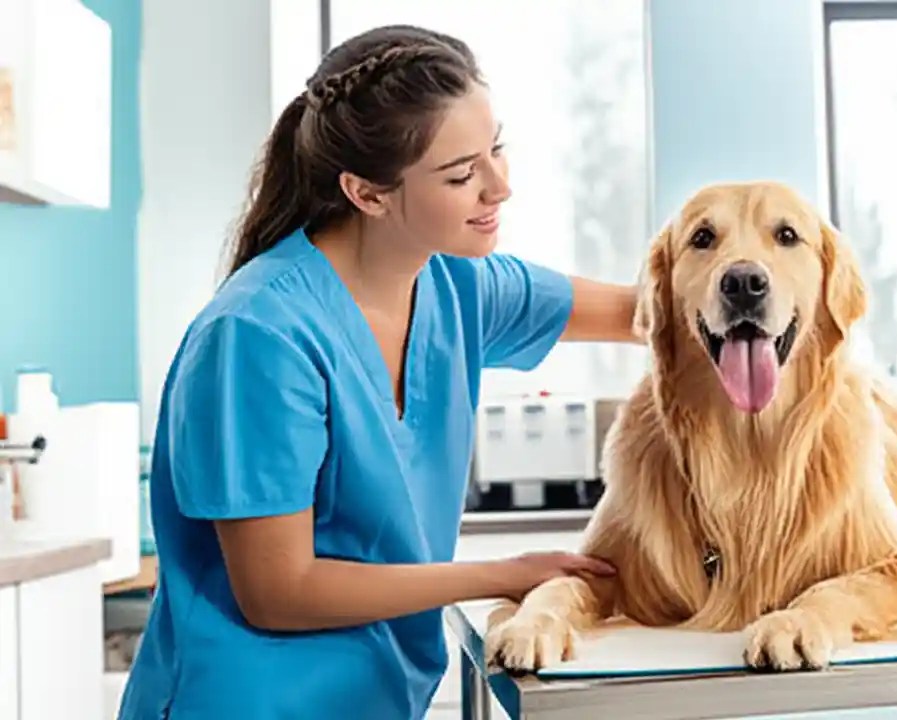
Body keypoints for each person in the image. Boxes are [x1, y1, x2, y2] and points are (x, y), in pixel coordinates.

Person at [118, 24, 637, 719]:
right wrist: (499, 576)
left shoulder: (457, 287)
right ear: (367, 193)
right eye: (461, 175)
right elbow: (278, 590)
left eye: (497, 149)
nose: (500, 187)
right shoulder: (258, 335)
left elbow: (654, 313)